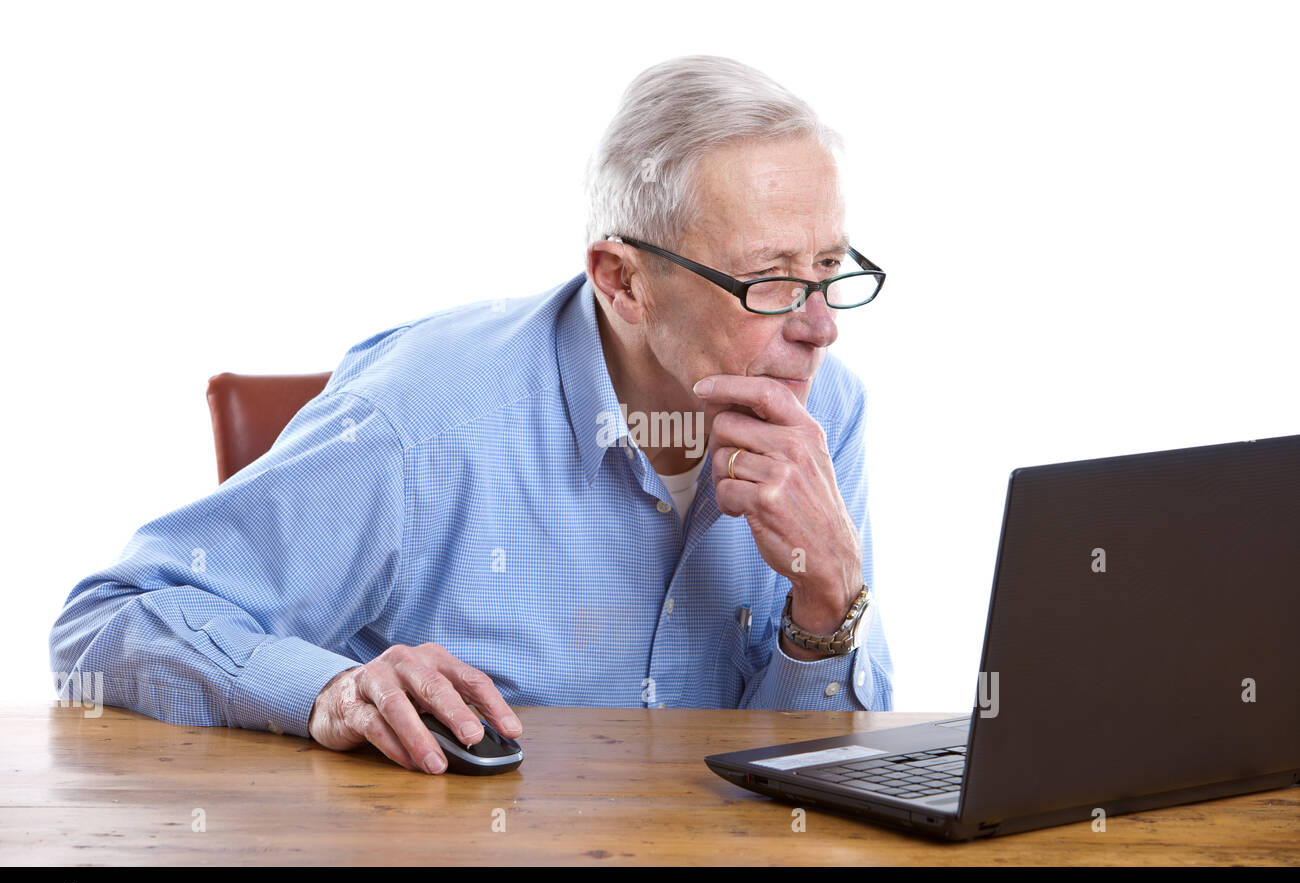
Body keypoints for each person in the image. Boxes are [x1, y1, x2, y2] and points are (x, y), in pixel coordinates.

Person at [49, 54, 894, 775]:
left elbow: (821, 770)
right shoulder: (418, 421)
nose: (820, 325)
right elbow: (109, 622)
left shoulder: (827, 408)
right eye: (769, 279)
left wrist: (829, 599)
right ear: (622, 280)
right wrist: (328, 689)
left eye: (828, 265)